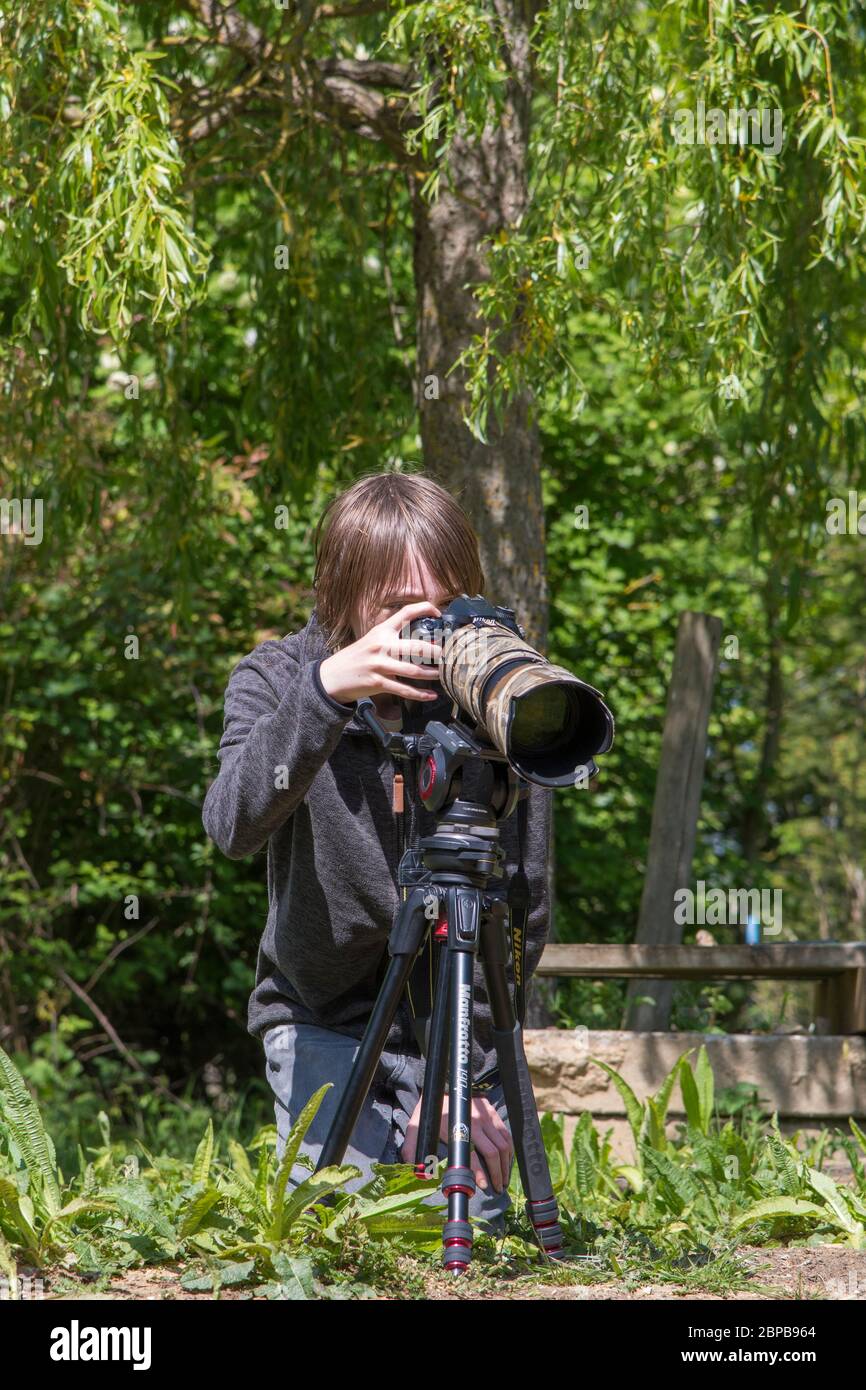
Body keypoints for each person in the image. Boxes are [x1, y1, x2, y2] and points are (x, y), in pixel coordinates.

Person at [201, 470, 553, 1235]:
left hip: (454, 1021)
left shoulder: (493, 690)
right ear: (340, 596)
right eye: (397, 609)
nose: (423, 629)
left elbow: (524, 902)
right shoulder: (282, 676)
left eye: (443, 603)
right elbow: (231, 825)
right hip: (321, 1014)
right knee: (341, 1227)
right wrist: (327, 695)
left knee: (458, 1226)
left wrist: (461, 1071)